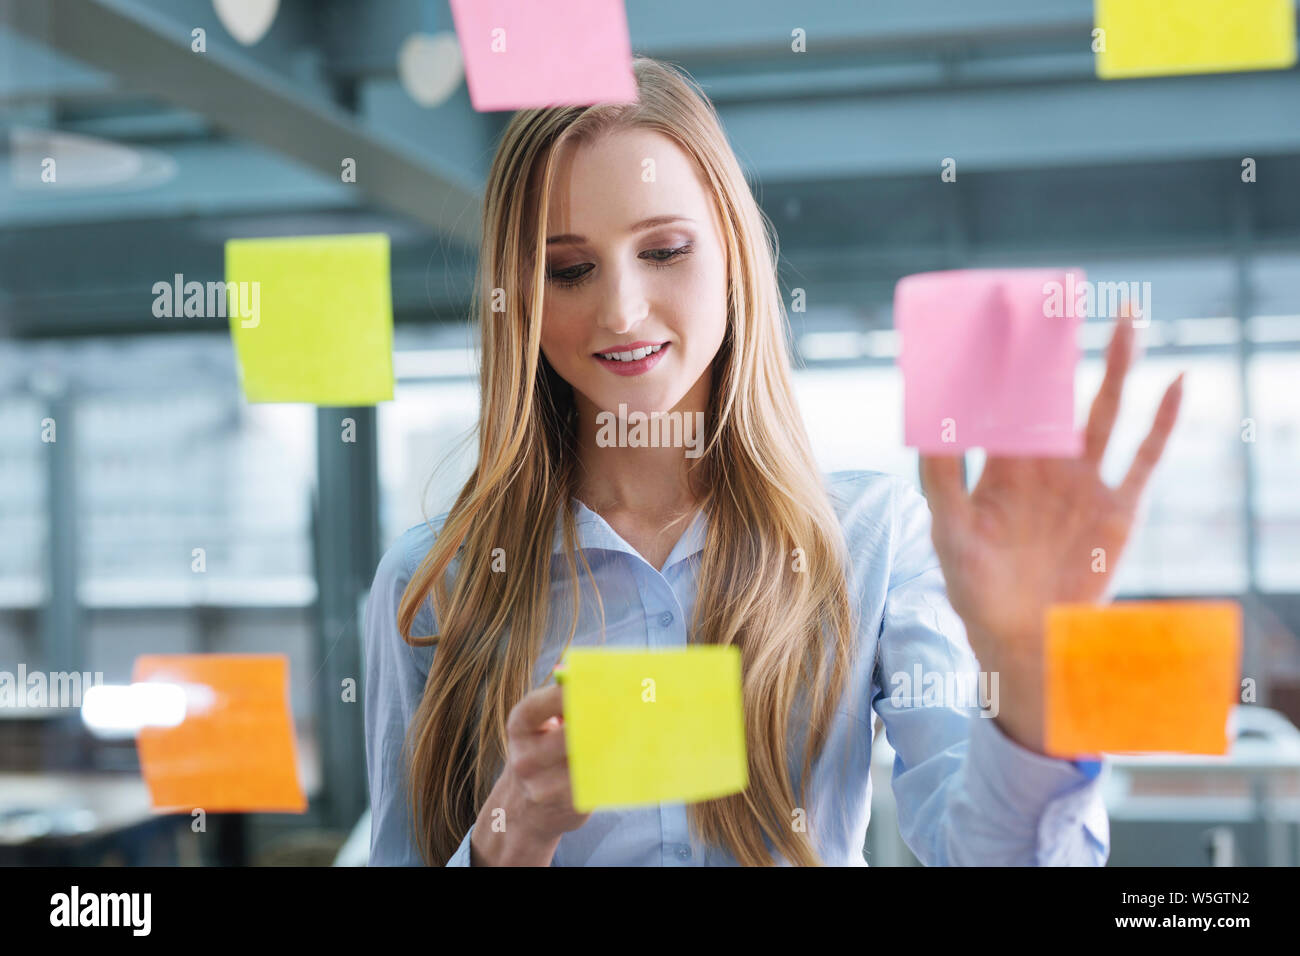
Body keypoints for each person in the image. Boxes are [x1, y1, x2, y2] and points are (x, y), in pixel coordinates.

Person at [363, 56, 1182, 866]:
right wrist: (511, 833)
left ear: (732, 258)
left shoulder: (873, 541)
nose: (620, 309)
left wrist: (1027, 682)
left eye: (664, 251)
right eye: (569, 270)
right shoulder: (434, 582)